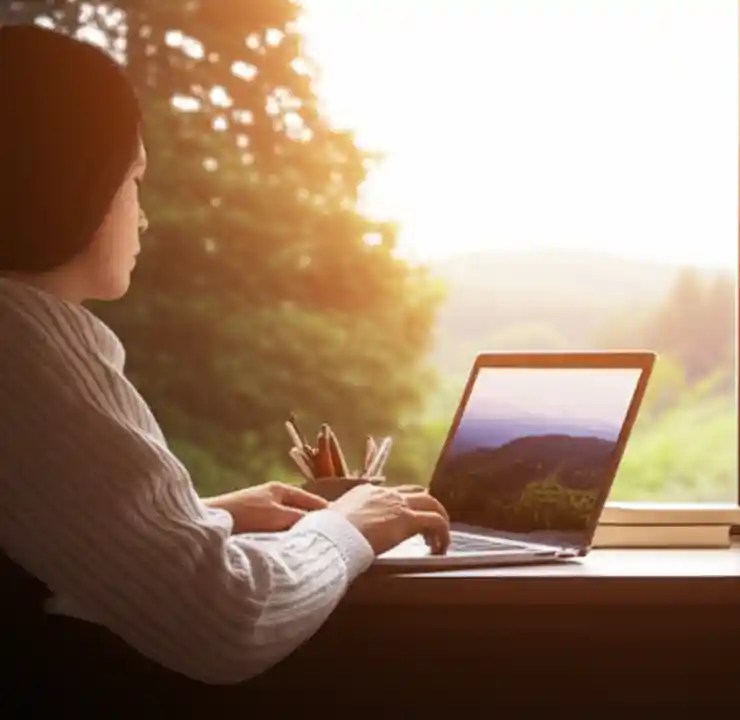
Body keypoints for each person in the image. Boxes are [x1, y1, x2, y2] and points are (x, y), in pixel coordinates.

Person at [0, 24, 451, 708]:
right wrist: (346, 528)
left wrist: (201, 518)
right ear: (76, 182)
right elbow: (225, 620)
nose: (144, 218)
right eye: (136, 181)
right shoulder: (25, 348)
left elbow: (34, 543)